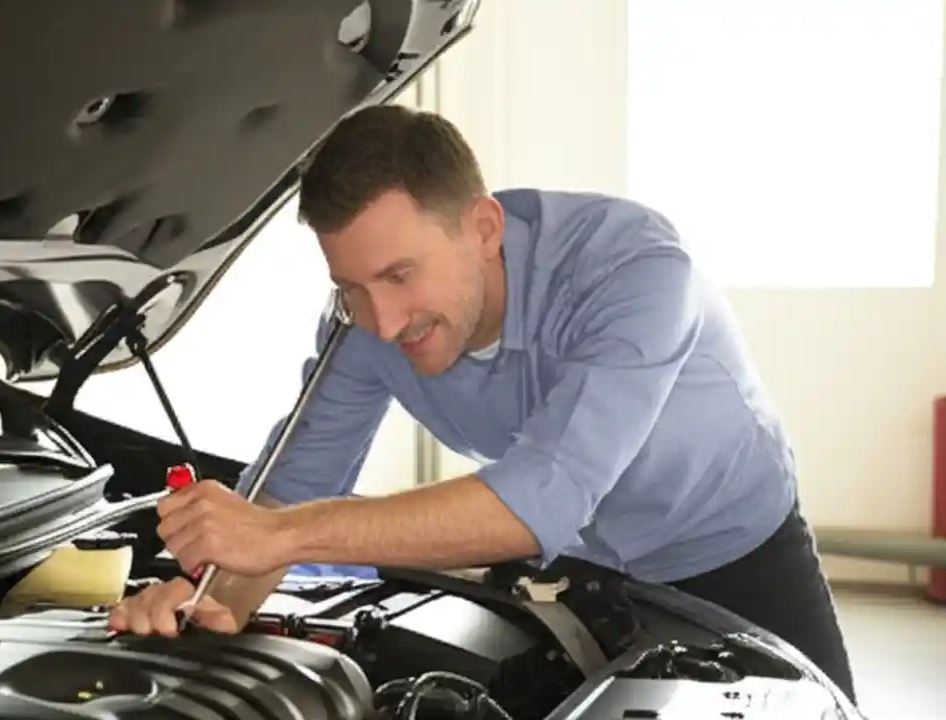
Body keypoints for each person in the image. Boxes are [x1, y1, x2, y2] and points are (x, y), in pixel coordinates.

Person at [107, 105, 857, 703]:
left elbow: (536, 502)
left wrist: (282, 536)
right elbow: (294, 487)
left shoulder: (635, 272)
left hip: (734, 546)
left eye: (401, 275)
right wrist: (213, 602)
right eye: (352, 287)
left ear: (484, 229)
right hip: (587, 570)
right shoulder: (364, 325)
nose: (384, 322)